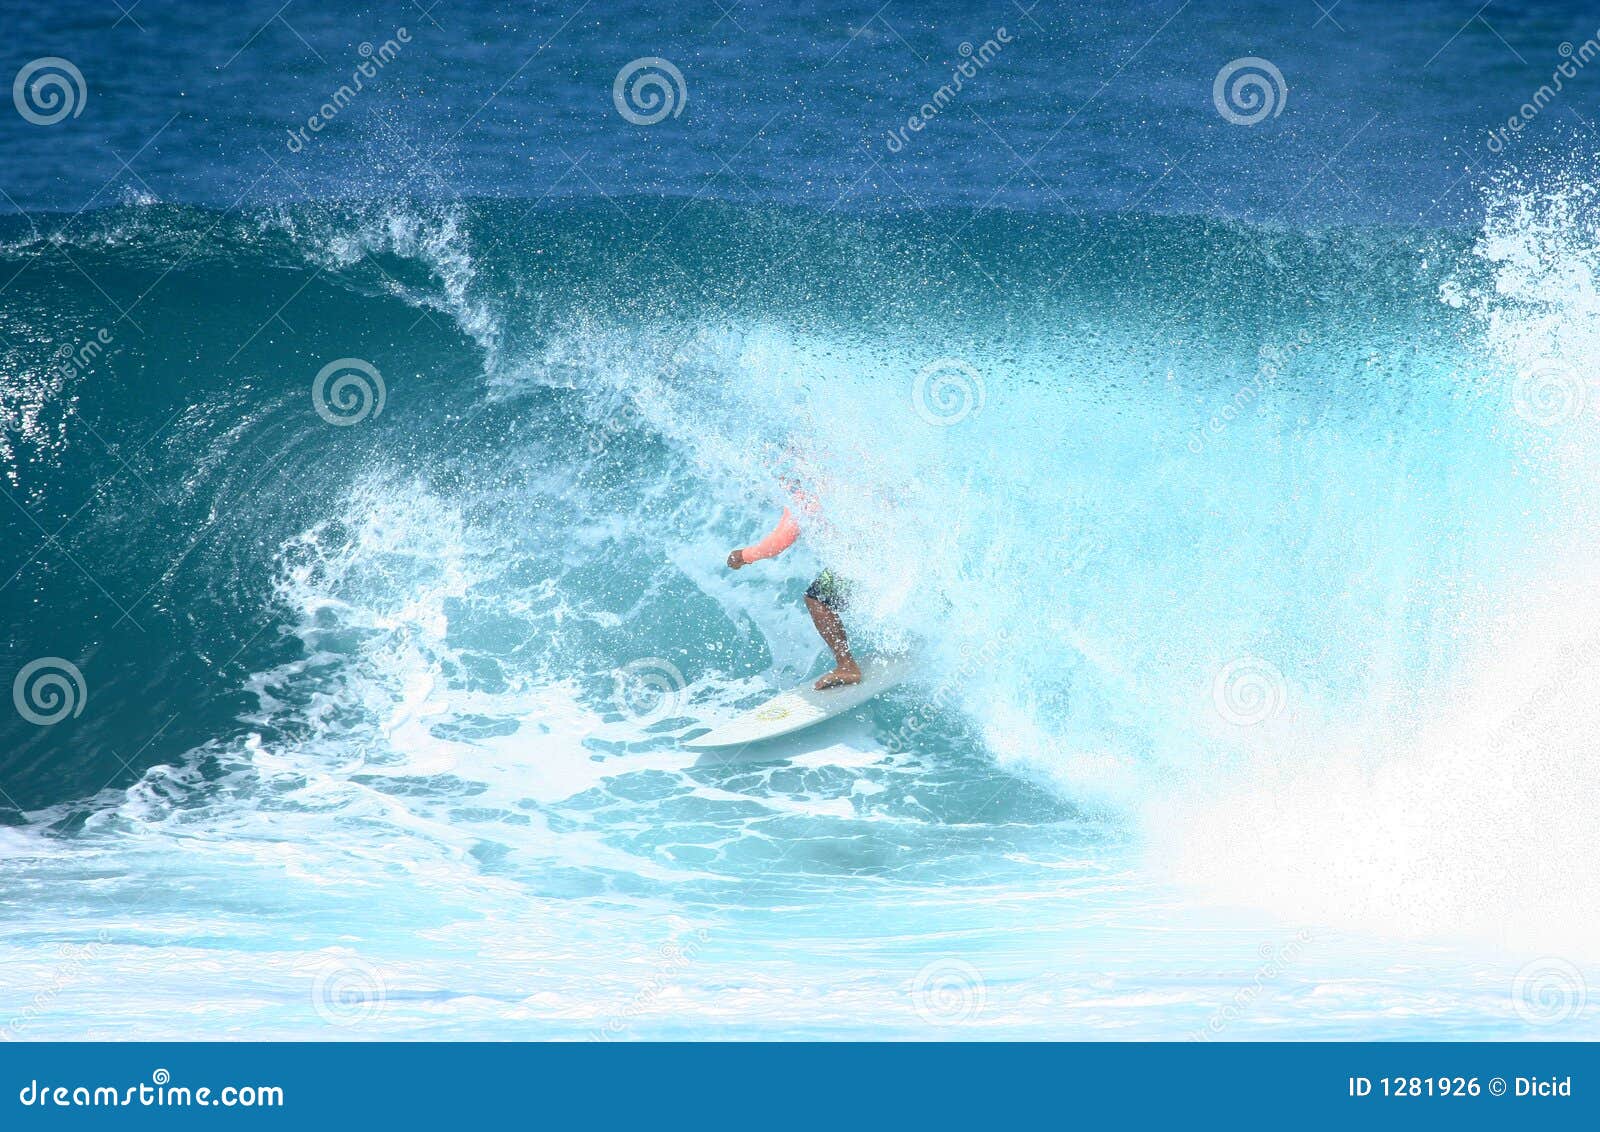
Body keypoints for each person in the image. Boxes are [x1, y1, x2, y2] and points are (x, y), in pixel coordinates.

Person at [726, 498, 861, 690]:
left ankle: (847, 667)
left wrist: (743, 556)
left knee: (817, 599)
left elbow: (781, 540)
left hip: (860, 558)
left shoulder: (804, 493)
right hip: (888, 549)